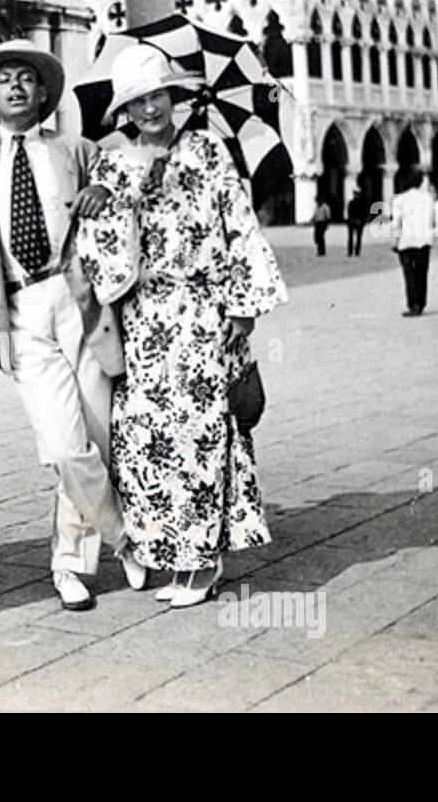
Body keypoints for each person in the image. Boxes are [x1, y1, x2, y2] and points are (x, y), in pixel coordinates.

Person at [75, 44, 288, 607]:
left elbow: (238, 223)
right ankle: (167, 548)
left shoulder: (208, 150)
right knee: (148, 436)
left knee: (201, 431)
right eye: (138, 102)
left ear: (174, 97)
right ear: (124, 110)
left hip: (204, 311)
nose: (150, 110)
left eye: (158, 97)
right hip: (145, 317)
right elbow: (104, 262)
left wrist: (244, 304)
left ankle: (203, 559)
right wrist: (110, 206)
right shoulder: (113, 164)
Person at [0, 39, 146, 611]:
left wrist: (104, 188)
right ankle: (125, 537)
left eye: (26, 79)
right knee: (65, 445)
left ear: (43, 93)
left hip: (80, 301)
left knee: (97, 435)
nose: (15, 87)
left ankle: (69, 564)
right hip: (17, 311)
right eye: (4, 80)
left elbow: (129, 167)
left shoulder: (75, 148)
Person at [391, 168, 435, 316]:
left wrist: (396, 242)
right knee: (422, 273)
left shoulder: (399, 200)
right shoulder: (428, 199)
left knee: (409, 274)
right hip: (424, 240)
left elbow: (397, 223)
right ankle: (421, 303)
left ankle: (413, 304)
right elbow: (432, 221)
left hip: (406, 241)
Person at [346, 188, 368, 257]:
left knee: (354, 237)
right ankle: (354, 252)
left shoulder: (352, 202)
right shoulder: (353, 202)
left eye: (356, 194)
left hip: (356, 221)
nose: (355, 195)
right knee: (354, 237)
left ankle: (353, 252)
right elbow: (349, 212)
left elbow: (364, 213)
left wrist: (360, 220)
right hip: (356, 221)